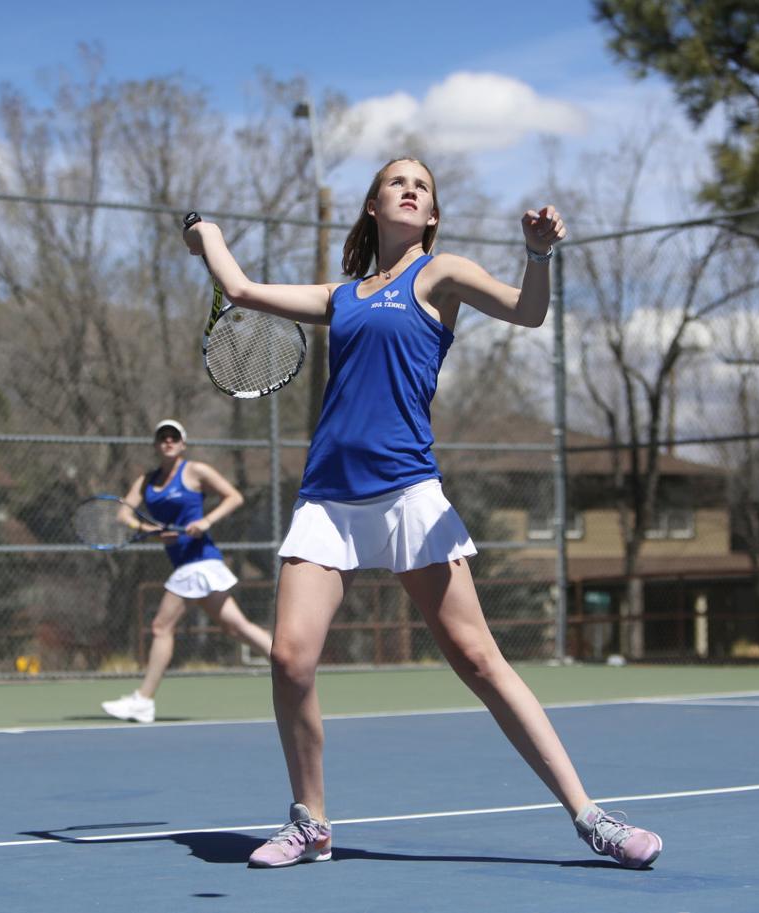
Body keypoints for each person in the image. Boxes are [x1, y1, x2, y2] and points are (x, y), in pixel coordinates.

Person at [182, 158, 662, 869]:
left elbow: (529, 312)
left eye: (423, 186)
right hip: (329, 499)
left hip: (408, 492)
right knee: (288, 659)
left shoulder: (438, 277)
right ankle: (310, 822)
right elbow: (240, 288)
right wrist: (207, 233)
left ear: (431, 215)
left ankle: (591, 817)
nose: (411, 188)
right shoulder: (338, 296)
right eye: (397, 182)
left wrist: (538, 254)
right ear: (374, 206)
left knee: (478, 659)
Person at [101, 419, 272, 723]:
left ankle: (143, 701)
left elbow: (235, 497)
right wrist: (148, 529)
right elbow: (122, 514)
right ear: (156, 444)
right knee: (236, 627)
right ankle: (288, 660)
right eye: (162, 437)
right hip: (185, 563)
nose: (168, 441)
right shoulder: (145, 482)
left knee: (160, 627)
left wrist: (206, 522)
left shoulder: (195, 471)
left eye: (174, 437)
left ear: (182, 444)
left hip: (200, 561)